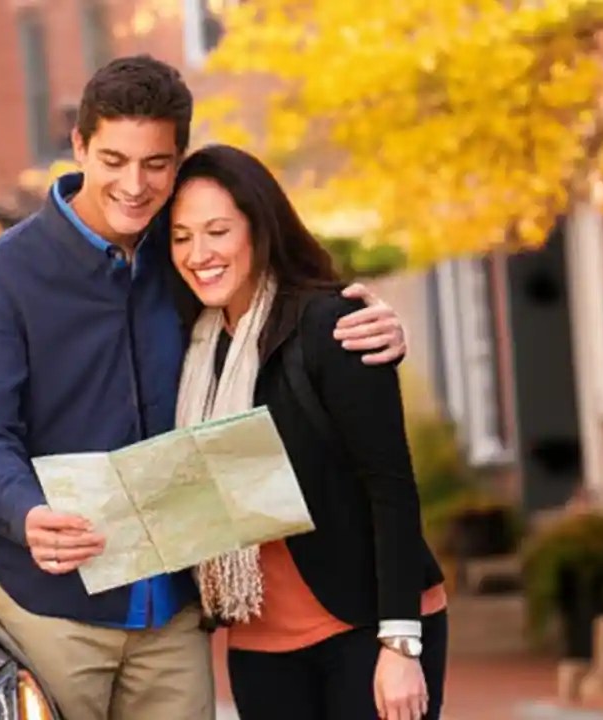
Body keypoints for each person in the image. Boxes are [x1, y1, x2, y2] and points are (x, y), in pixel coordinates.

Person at [0, 55, 409, 720]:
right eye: (113, 159)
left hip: (175, 608)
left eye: (155, 164)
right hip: (54, 605)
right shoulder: (2, 277)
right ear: (78, 147)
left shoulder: (192, 249)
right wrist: (23, 513)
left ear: (179, 156)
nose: (133, 185)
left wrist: (369, 322)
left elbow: (283, 312)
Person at [167, 143, 448, 720]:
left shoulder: (332, 325)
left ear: (259, 229)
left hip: (365, 624)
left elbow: (391, 489)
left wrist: (400, 643)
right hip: (260, 644)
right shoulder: (190, 349)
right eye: (181, 237)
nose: (200, 253)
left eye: (218, 231)